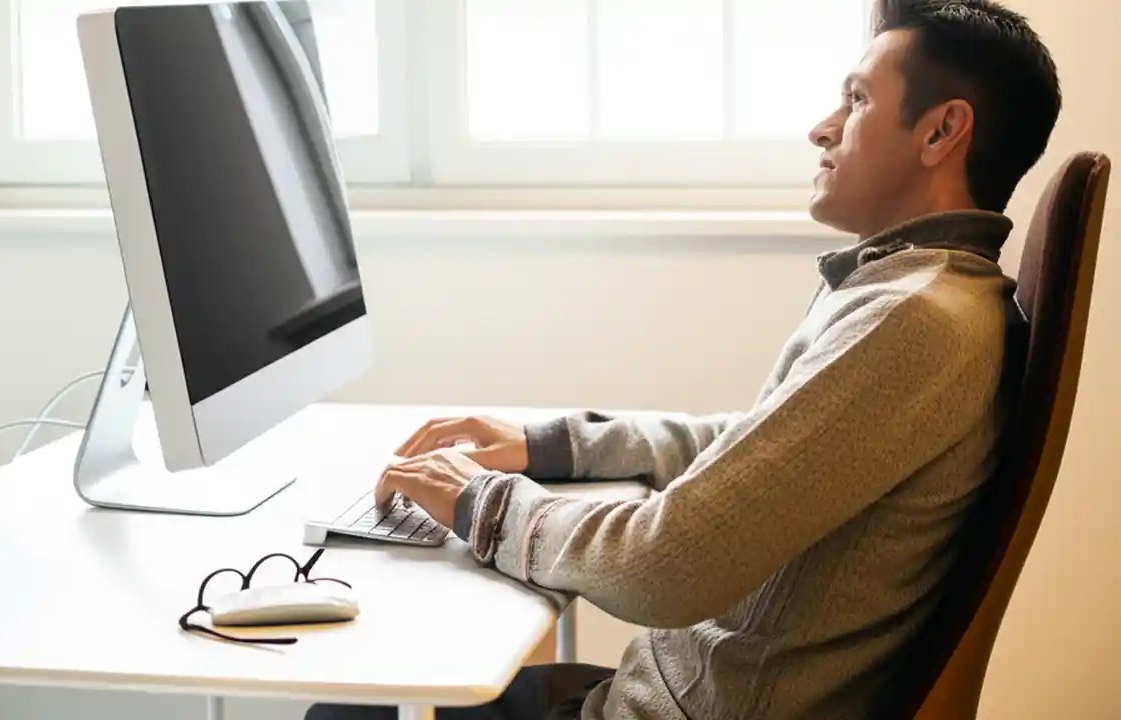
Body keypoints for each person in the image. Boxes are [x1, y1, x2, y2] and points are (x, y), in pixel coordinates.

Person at [307, 1, 1061, 718]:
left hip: (675, 710)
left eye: (857, 100)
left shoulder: (915, 321)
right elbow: (753, 448)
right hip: (673, 694)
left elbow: (662, 569)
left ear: (941, 133)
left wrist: (481, 501)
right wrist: (550, 446)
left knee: (348, 705)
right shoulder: (913, 293)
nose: (822, 129)